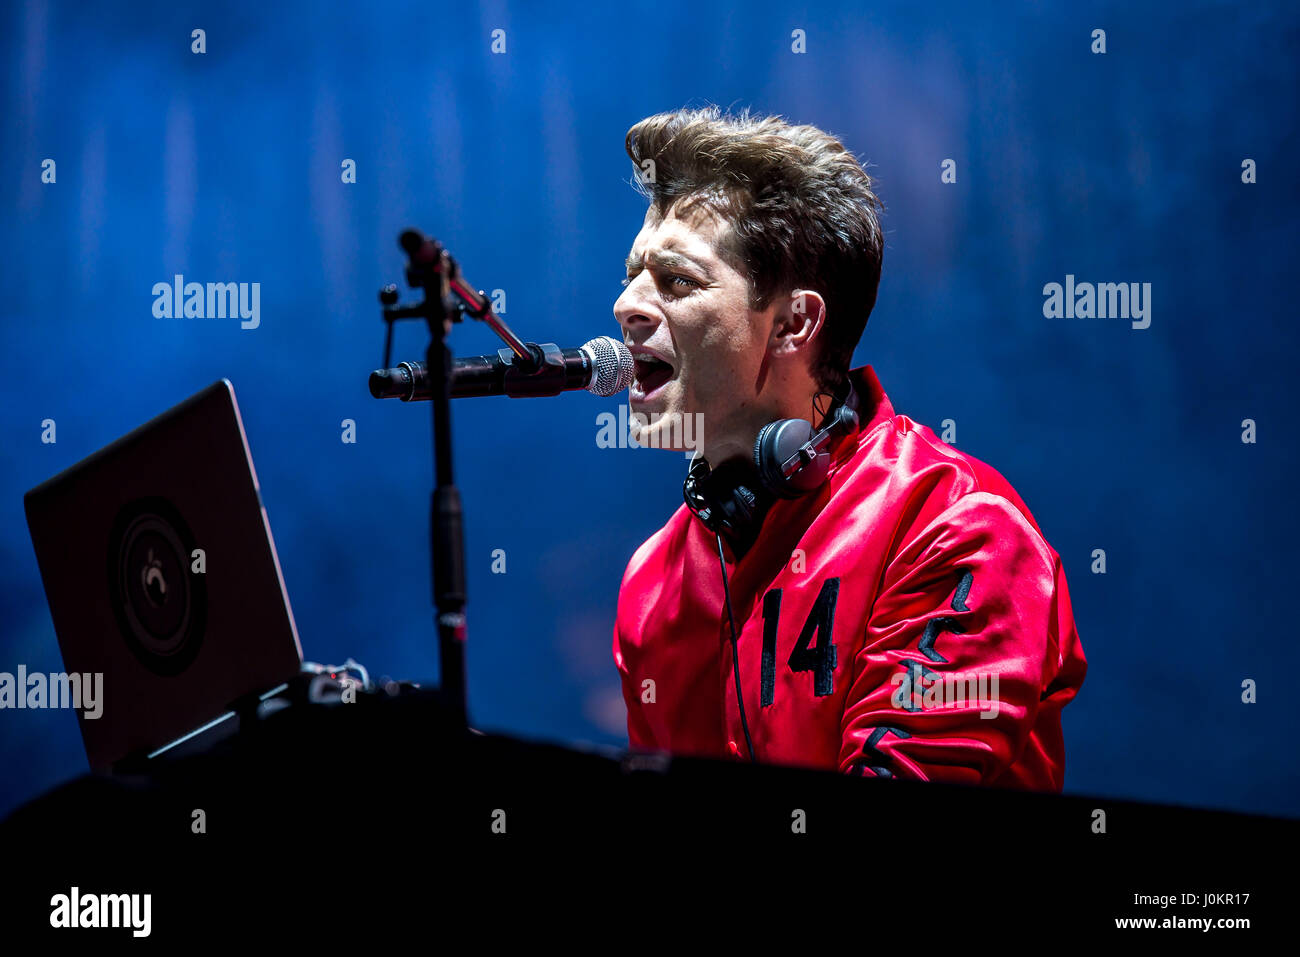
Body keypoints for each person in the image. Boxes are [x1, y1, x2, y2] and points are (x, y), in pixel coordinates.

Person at [611, 105, 1087, 789]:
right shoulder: (652, 582)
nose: (627, 303)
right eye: (631, 273)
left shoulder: (956, 526)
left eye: (677, 280)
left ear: (794, 322)